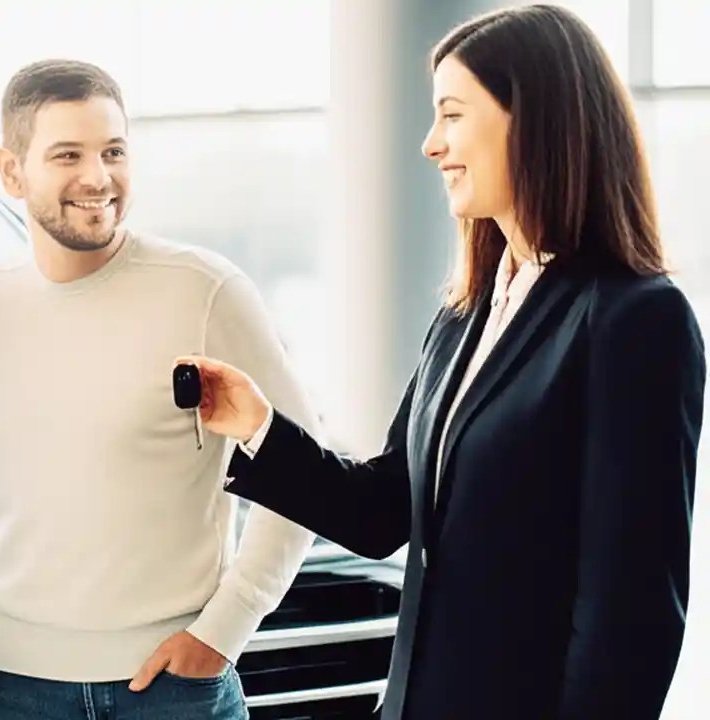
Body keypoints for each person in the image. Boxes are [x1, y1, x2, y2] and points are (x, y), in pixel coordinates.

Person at [175, 6, 706, 720]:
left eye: (452, 115)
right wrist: (258, 425)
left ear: (535, 118)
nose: (431, 144)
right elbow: (385, 510)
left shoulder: (637, 320)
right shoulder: (466, 315)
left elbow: (631, 614)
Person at [0, 59, 318, 720]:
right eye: (67, 154)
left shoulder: (205, 290)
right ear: (11, 171)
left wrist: (224, 631)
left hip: (173, 688)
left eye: (113, 151)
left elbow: (305, 473)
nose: (98, 177)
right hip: (10, 684)